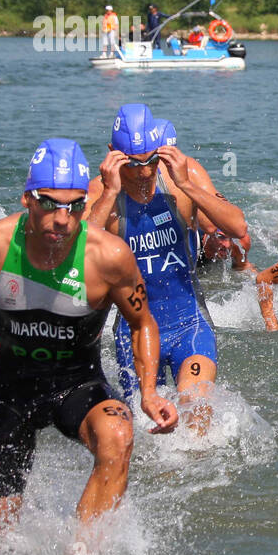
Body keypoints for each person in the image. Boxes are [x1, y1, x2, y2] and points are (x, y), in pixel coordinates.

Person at [0, 138, 176, 547]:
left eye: (76, 205)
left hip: (79, 384)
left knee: (118, 433)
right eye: (50, 203)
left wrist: (148, 392)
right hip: (9, 391)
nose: (64, 218)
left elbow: (142, 322)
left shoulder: (108, 257)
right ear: (28, 198)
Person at [86, 105, 248, 429]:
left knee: (196, 407)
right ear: (112, 155)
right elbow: (73, 262)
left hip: (190, 323)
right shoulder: (99, 193)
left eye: (150, 160)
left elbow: (237, 227)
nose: (144, 172)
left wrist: (187, 185)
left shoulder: (179, 178)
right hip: (133, 332)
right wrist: (109, 195)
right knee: (141, 433)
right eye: (133, 164)